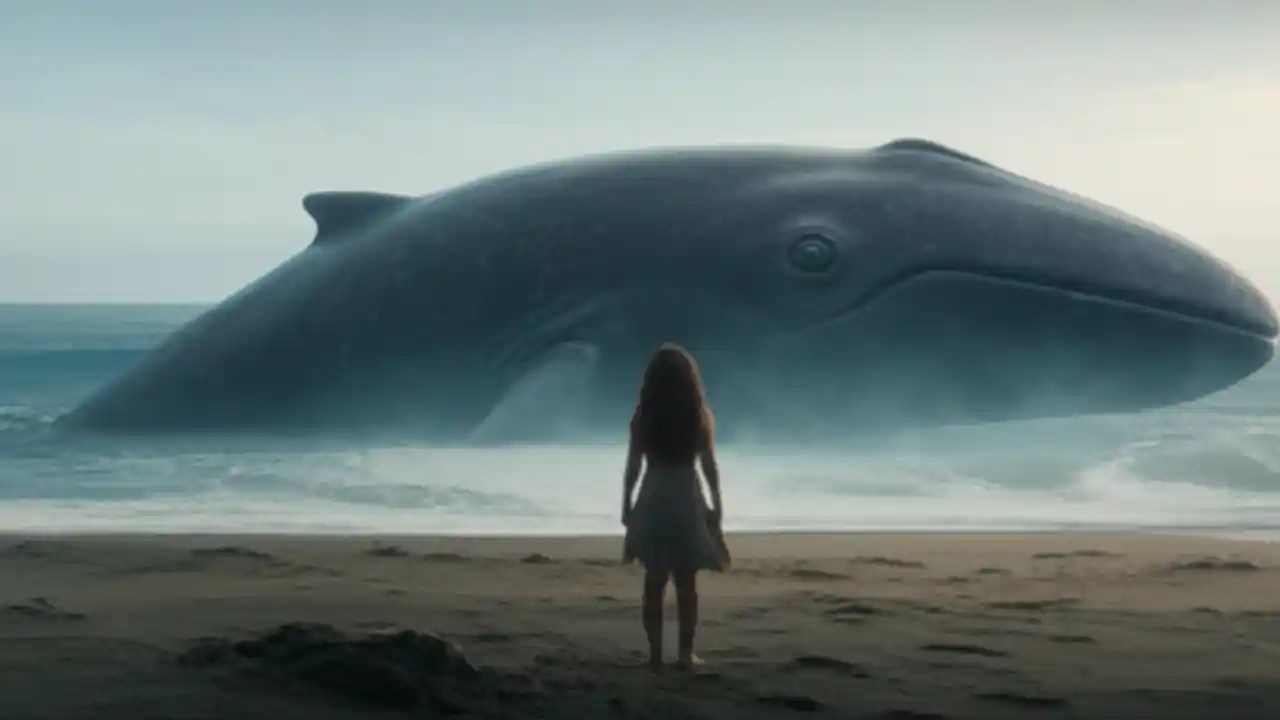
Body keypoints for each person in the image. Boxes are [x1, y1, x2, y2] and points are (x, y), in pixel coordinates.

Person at [621, 343, 727, 672]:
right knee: (686, 581)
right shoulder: (697, 415)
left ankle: (654, 656)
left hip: (653, 494)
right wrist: (716, 502)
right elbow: (709, 463)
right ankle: (684, 654)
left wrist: (626, 503)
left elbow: (634, 464)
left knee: (654, 579)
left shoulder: (644, 417)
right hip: (684, 494)